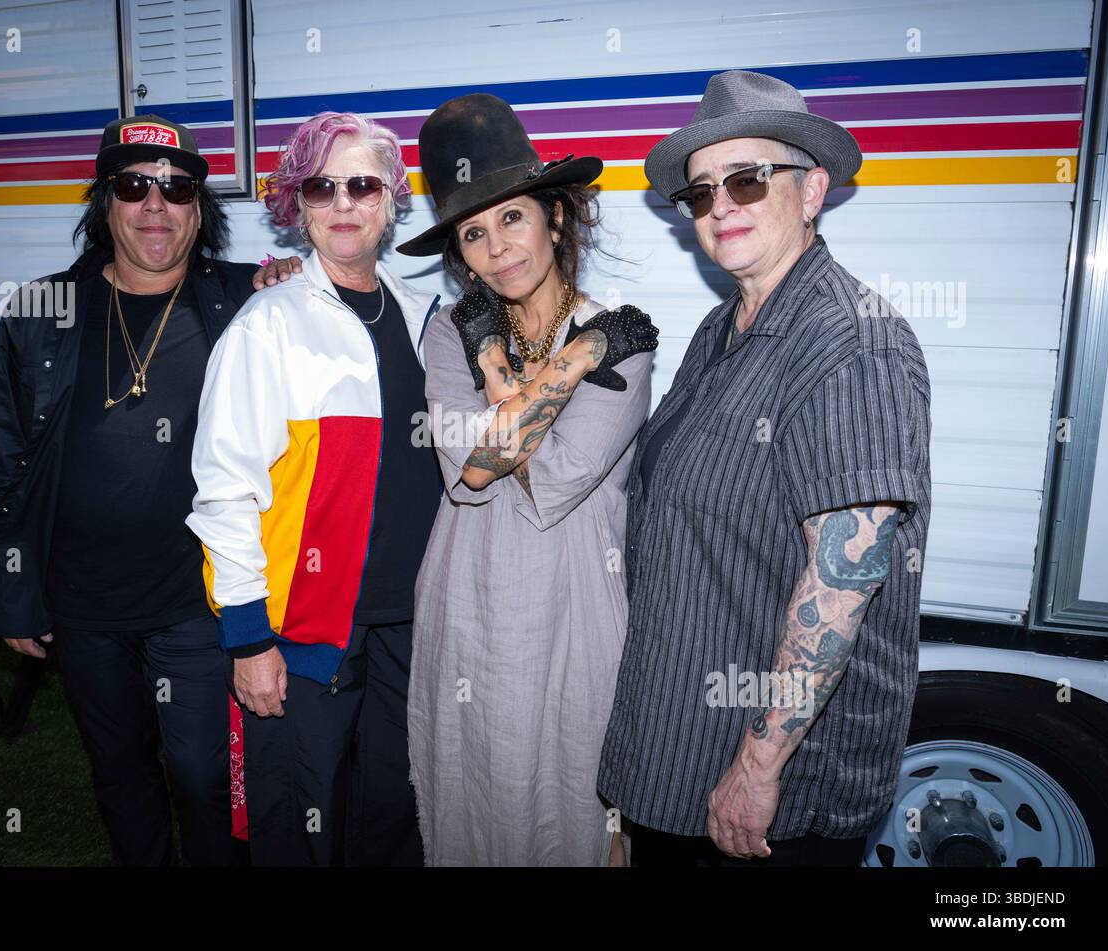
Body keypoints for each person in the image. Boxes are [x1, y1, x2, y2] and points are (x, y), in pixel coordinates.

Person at [597, 71, 932, 866]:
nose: (721, 206)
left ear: (812, 190)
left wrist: (758, 766)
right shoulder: (723, 326)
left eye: (748, 179)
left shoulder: (853, 341)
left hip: (770, 789)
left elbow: (842, 581)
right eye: (701, 192)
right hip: (681, 747)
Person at [0, 114, 300, 866]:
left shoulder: (249, 302)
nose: (156, 204)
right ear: (105, 201)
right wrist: (12, 591)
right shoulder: (40, 313)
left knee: (205, 776)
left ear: (199, 210)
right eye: (134, 185)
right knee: (120, 774)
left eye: (177, 189)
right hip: (83, 604)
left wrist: (287, 277)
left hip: (196, 600)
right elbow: (0, 460)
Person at [395, 93, 658, 865]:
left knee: (572, 800)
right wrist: (571, 361)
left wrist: (567, 353)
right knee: (467, 795)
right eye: (473, 233)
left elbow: (559, 475)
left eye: (512, 218)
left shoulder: (625, 338)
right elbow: (474, 460)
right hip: (465, 602)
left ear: (555, 217)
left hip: (575, 607)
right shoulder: (454, 330)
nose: (497, 247)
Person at [187, 111, 441, 866]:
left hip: (411, 630)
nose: (342, 203)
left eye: (362, 184)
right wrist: (247, 639)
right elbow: (223, 493)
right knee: (302, 830)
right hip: (305, 637)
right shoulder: (266, 327)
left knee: (396, 822)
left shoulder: (428, 317)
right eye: (320, 187)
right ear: (297, 205)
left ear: (391, 199)